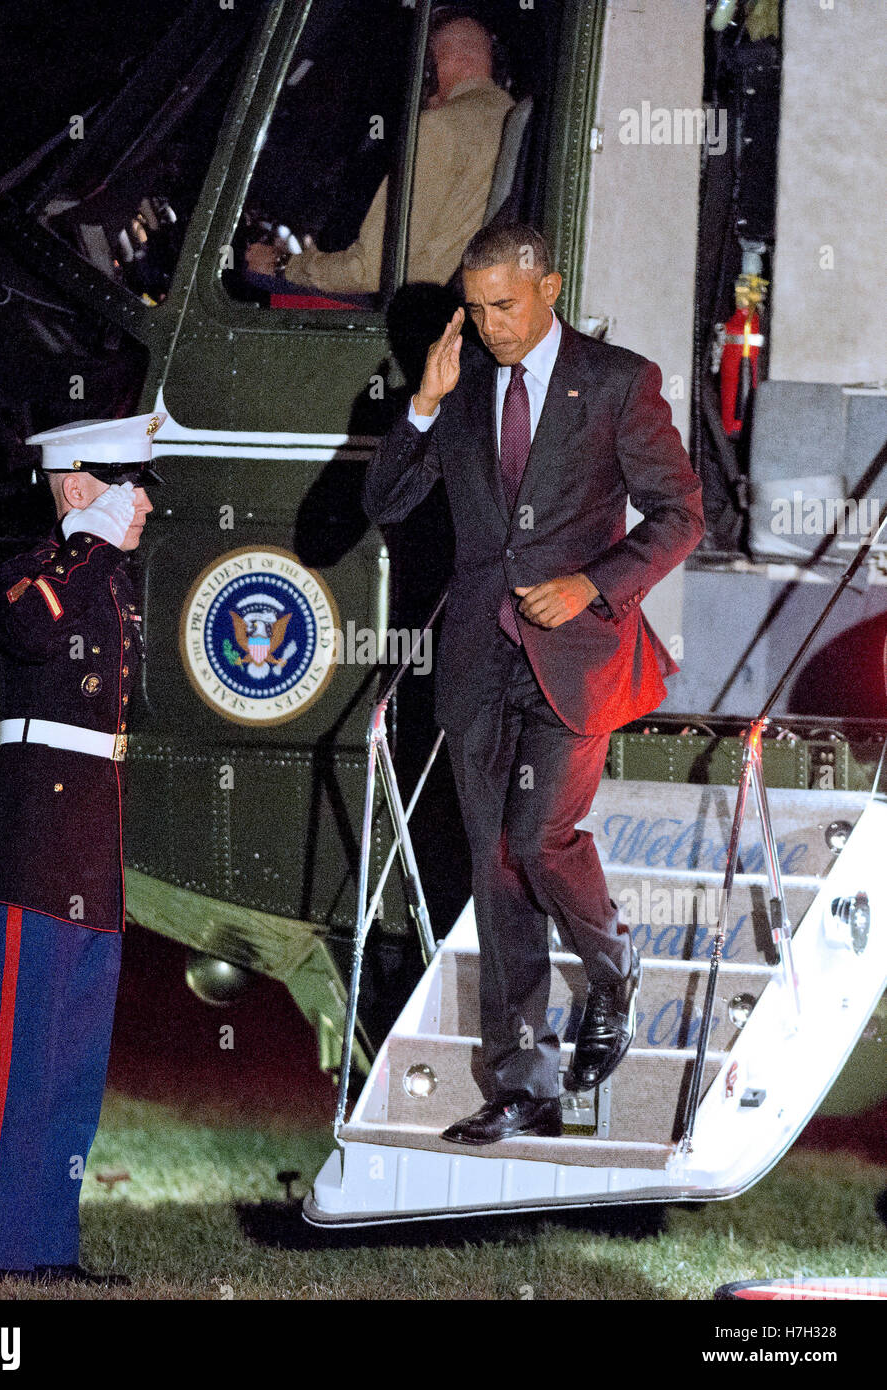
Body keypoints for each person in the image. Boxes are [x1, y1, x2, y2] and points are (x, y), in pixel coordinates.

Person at [363, 223, 705, 1145]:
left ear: (549, 287)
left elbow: (682, 515)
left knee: (541, 837)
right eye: (474, 310)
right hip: (480, 658)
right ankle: (521, 1085)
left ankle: (613, 963)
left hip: (577, 656)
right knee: (497, 870)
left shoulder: (620, 381)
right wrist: (426, 406)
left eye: (504, 306)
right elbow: (384, 503)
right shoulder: (463, 383)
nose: (490, 325)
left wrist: (596, 582)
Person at [0, 412, 163, 1279]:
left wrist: (106, 537)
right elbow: (25, 629)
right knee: (22, 1056)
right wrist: (84, 539)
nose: (142, 503)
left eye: (146, 485)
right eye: (125, 484)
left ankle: (46, 1247)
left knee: (71, 1062)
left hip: (87, 845)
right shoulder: (39, 573)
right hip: (31, 841)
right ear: (74, 488)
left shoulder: (117, 583)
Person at [245, 14, 514, 294]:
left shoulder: (439, 128)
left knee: (251, 287)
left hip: (417, 312)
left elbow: (371, 272)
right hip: (455, 306)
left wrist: (281, 264)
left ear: (429, 69)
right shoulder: (513, 118)